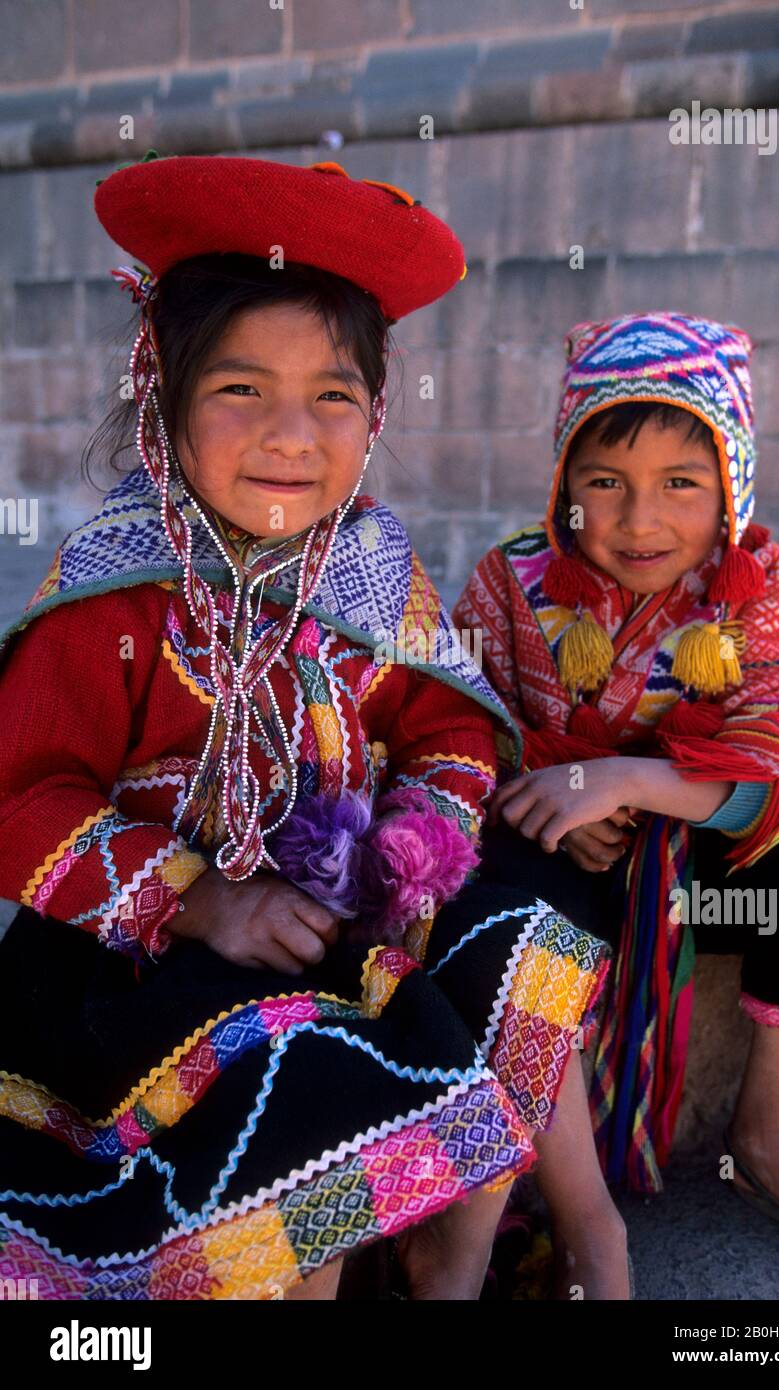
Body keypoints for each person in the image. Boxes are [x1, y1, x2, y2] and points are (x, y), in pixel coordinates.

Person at [0, 153, 624, 1302]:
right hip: (149, 951)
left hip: (339, 898)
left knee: (523, 926)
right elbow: (24, 795)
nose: (292, 434)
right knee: (299, 1060)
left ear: (373, 413)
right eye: (241, 389)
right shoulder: (118, 594)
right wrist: (200, 898)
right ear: (163, 398)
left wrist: (414, 842)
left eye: (331, 396)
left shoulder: (371, 568)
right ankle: (297, 1266)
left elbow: (447, 724)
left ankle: (474, 1253)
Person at [453, 312, 779, 1279]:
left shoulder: (756, 588)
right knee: (506, 905)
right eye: (604, 484)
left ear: (732, 487)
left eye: (681, 485)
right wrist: (534, 792)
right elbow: (454, 723)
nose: (639, 521)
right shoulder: (510, 584)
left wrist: (627, 778)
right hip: (561, 841)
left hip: (703, 853)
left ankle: (766, 1138)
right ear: (563, 484)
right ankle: (549, 1185)